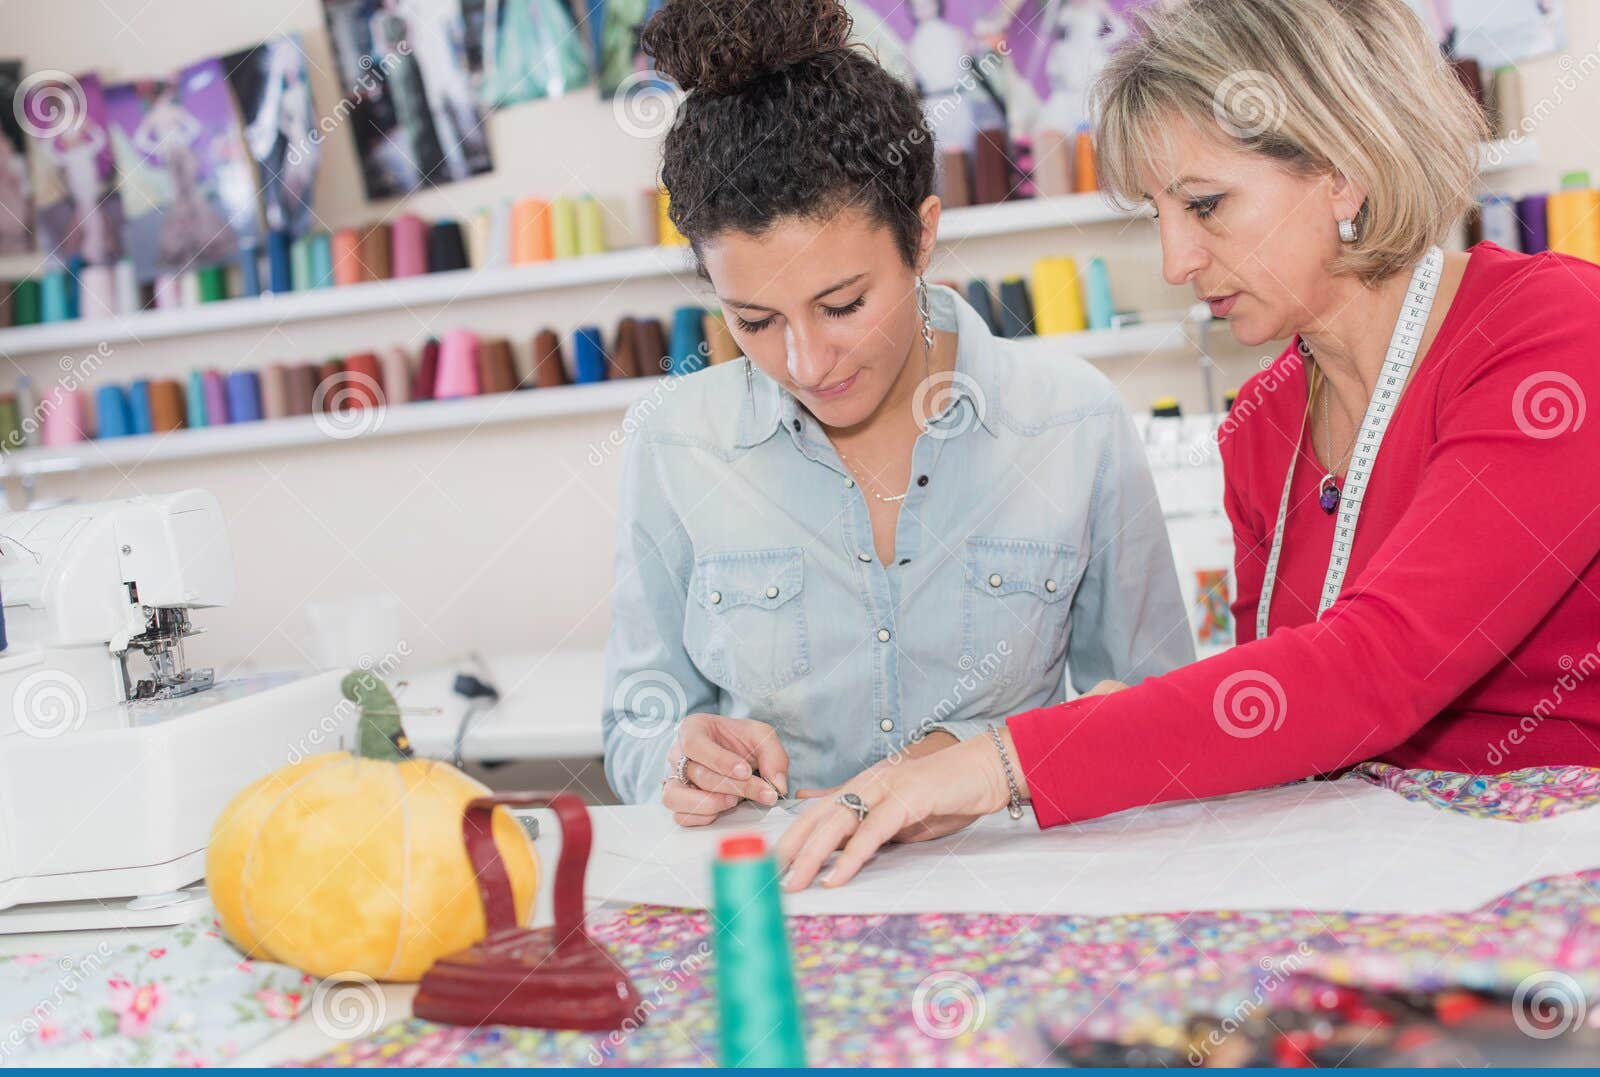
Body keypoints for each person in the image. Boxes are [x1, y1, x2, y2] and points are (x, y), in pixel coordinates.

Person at [778, 0, 1600, 890]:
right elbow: (1284, 711)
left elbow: (1374, 671)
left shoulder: (1553, 336)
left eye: (1207, 206)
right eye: (1159, 213)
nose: (1175, 261)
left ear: (1344, 171)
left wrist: (994, 765)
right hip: (1392, 883)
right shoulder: (1266, 418)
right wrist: (1124, 722)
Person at [601, 0, 1193, 819]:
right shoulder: (675, 443)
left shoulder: (1073, 425)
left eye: (842, 305)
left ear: (921, 238)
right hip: (785, 910)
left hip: (1024, 915)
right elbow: (638, 718)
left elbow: (1161, 718)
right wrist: (680, 759)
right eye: (755, 322)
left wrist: (992, 761)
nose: (805, 363)